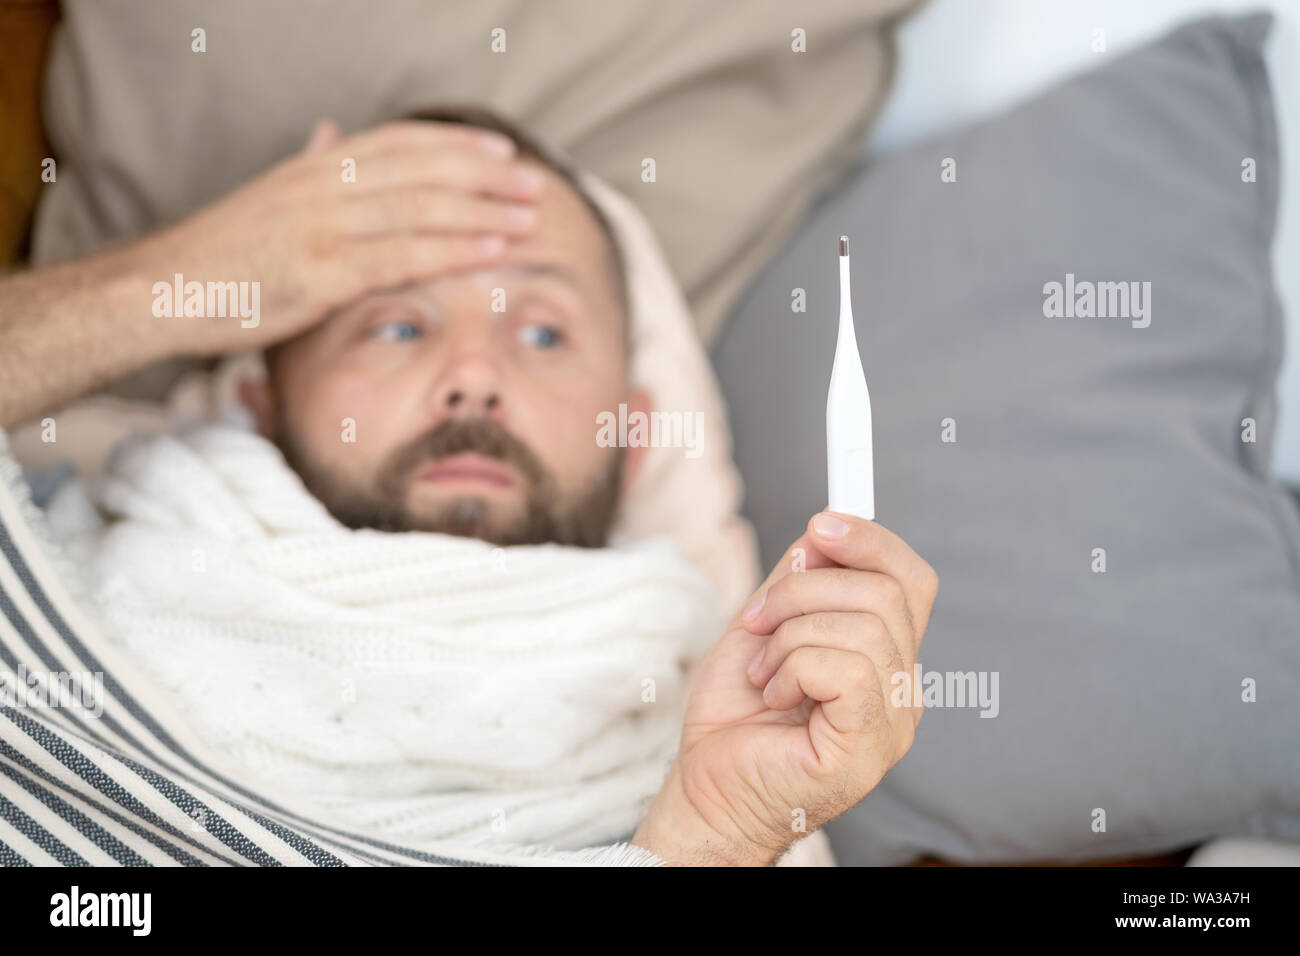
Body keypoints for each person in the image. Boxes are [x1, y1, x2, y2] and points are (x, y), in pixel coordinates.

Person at [0, 106, 938, 865]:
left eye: (541, 334)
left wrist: (709, 842)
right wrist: (176, 281)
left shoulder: (736, 766)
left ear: (638, 432)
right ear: (256, 404)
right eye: (398, 326)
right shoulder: (58, 559)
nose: (474, 377)